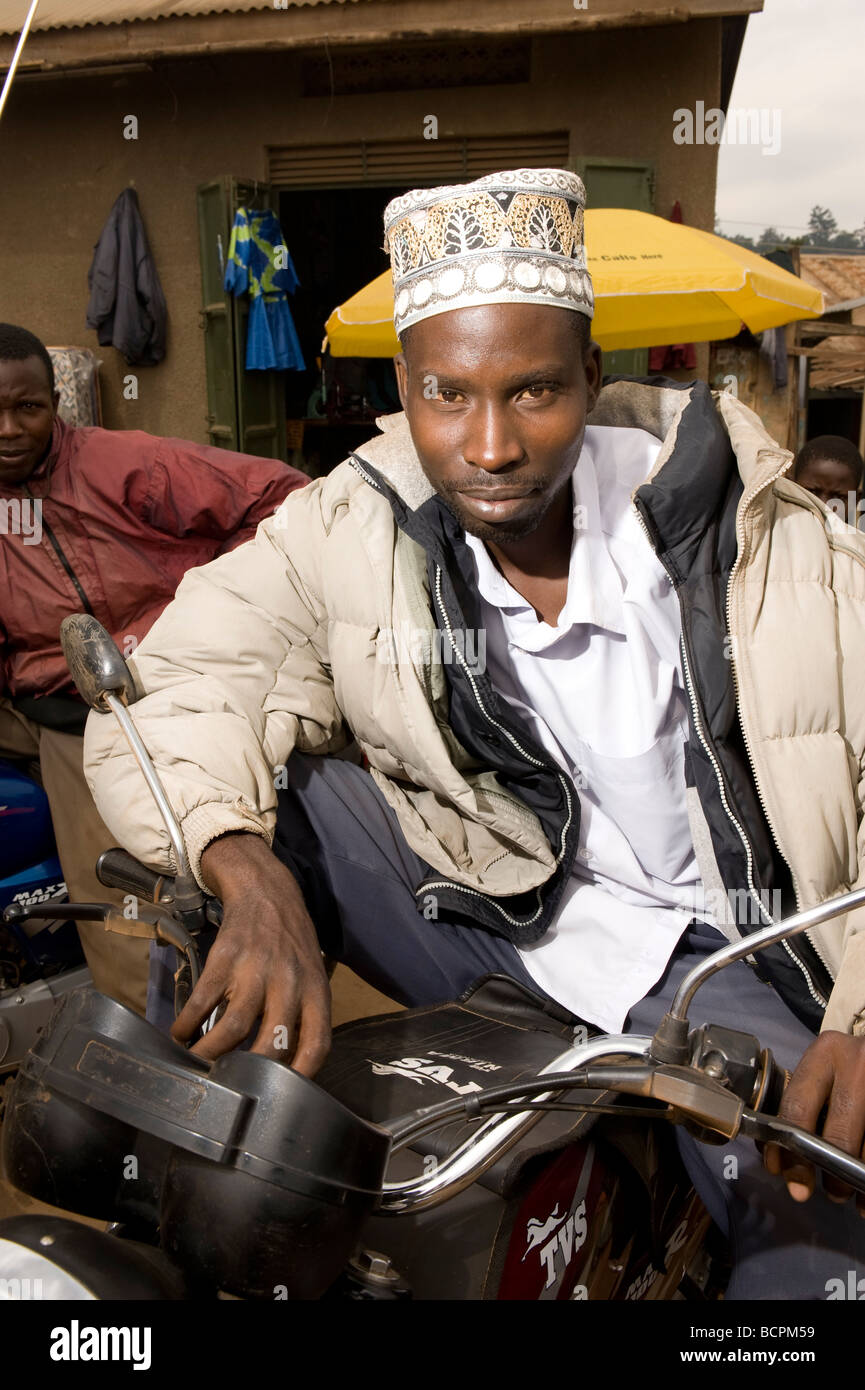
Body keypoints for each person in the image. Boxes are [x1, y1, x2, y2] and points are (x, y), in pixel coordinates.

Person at [83, 170, 865, 1299]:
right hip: (486, 902)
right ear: (402, 387)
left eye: (533, 391)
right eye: (446, 395)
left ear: (591, 377)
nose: (488, 445)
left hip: (720, 963)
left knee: (816, 1251)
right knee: (244, 813)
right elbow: (180, 683)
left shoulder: (776, 548)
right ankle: (187, 1162)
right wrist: (243, 868)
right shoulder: (348, 523)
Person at [0, 323, 308, 1012]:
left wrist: (192, 605)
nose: (10, 429)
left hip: (154, 691)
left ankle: (183, 1051)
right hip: (50, 702)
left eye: (28, 407)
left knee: (135, 910)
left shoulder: (120, 464)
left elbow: (286, 498)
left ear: (56, 403)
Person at [793, 432, 864, 525]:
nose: (824, 506)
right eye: (811, 492)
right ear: (789, 488)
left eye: (838, 497)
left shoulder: (858, 540)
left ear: (855, 500)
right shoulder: (770, 536)